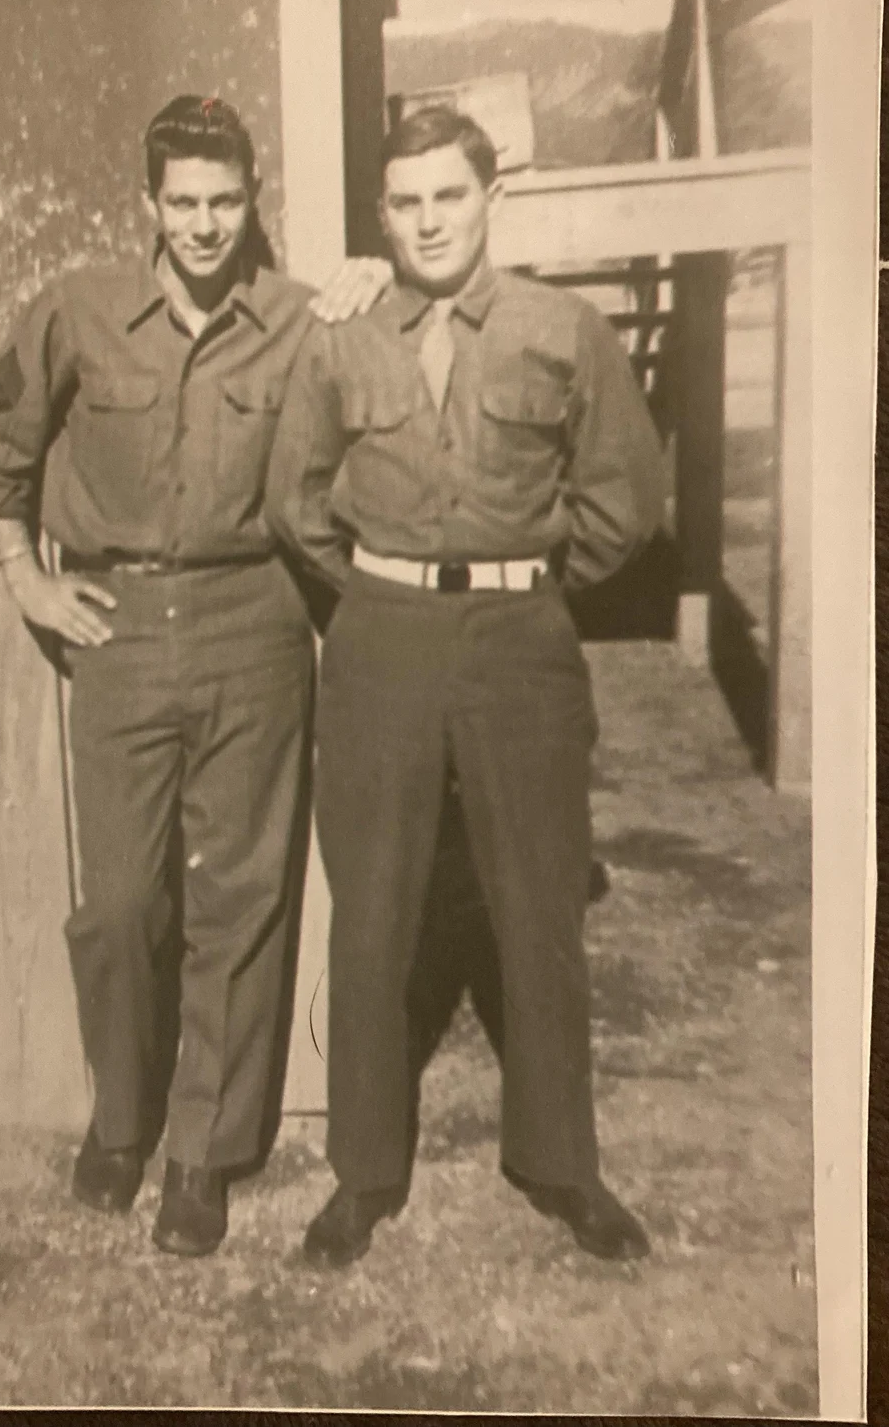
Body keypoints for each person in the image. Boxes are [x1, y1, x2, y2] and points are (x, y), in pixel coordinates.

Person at [0, 95, 387, 1258]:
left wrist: (376, 279)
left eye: (226, 202)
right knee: (125, 905)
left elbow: (394, 360)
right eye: (183, 202)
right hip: (121, 628)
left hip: (256, 621)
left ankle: (201, 1153)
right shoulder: (80, 310)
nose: (204, 226)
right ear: (149, 205)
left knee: (242, 900)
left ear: (254, 205)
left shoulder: (297, 319)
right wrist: (28, 581)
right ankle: (123, 1114)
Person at [266, 104, 665, 1270]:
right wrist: (381, 593)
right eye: (406, 201)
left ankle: (562, 1166)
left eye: (450, 194)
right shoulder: (339, 339)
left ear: (493, 197)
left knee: (539, 905)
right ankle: (362, 1176)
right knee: (375, 909)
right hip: (382, 634)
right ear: (381, 215)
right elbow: (297, 503)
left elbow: (623, 502)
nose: (429, 220)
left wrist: (530, 586)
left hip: (520, 636)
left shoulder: (562, 328)